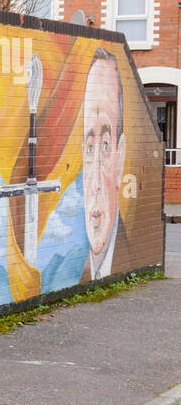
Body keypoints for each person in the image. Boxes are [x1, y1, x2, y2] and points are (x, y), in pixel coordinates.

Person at [81, 48, 137, 279]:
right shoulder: (71, 269)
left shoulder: (131, 258)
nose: (94, 183)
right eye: (89, 148)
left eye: (105, 145)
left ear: (120, 155)